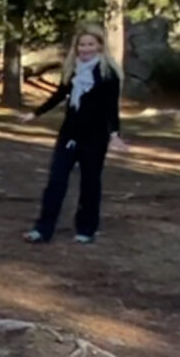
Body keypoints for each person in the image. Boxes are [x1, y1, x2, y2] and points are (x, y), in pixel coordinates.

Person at [22, 24, 128, 244]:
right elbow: (59, 95)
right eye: (82, 44)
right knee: (56, 181)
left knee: (90, 183)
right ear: (76, 47)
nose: (86, 48)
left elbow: (111, 108)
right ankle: (42, 229)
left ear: (99, 46)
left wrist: (114, 134)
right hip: (69, 134)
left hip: (95, 137)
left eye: (91, 44)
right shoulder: (72, 70)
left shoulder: (109, 74)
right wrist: (36, 113)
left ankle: (87, 229)